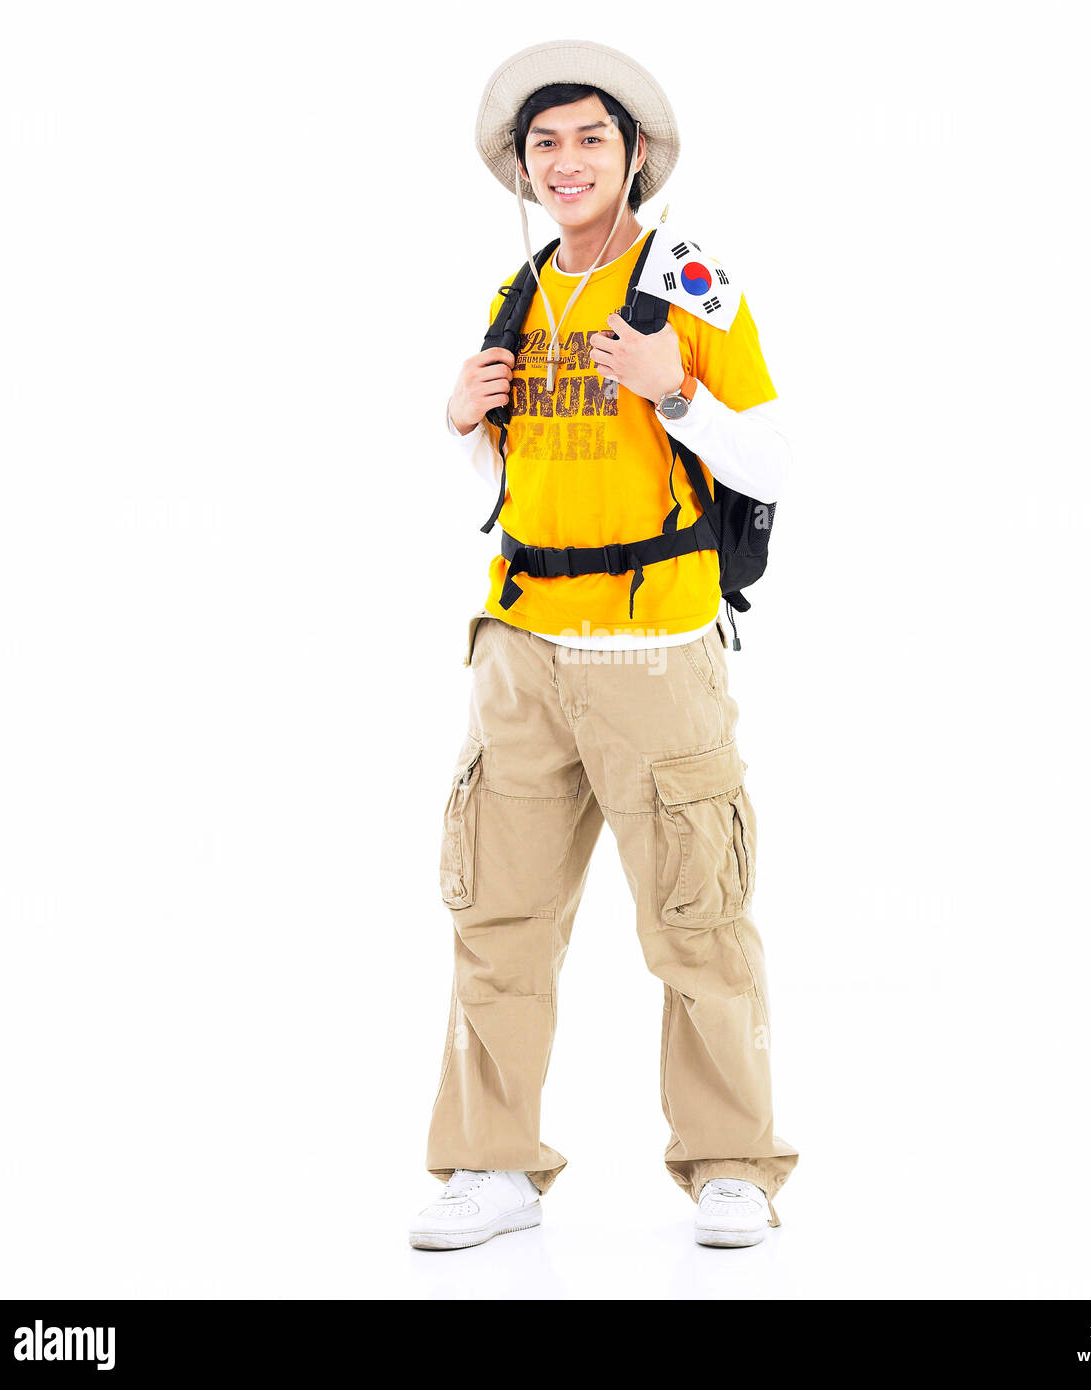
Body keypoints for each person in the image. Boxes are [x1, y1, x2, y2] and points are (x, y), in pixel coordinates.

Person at [410, 39, 797, 1252]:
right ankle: (491, 1168)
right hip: (520, 650)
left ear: (633, 155)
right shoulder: (516, 297)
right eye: (545, 144)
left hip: (653, 650)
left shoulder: (689, 283)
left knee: (695, 916)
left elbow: (774, 460)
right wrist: (463, 419)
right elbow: (509, 475)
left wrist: (673, 390)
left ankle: (732, 1166)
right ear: (522, 170)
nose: (565, 160)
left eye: (588, 139)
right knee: (498, 917)